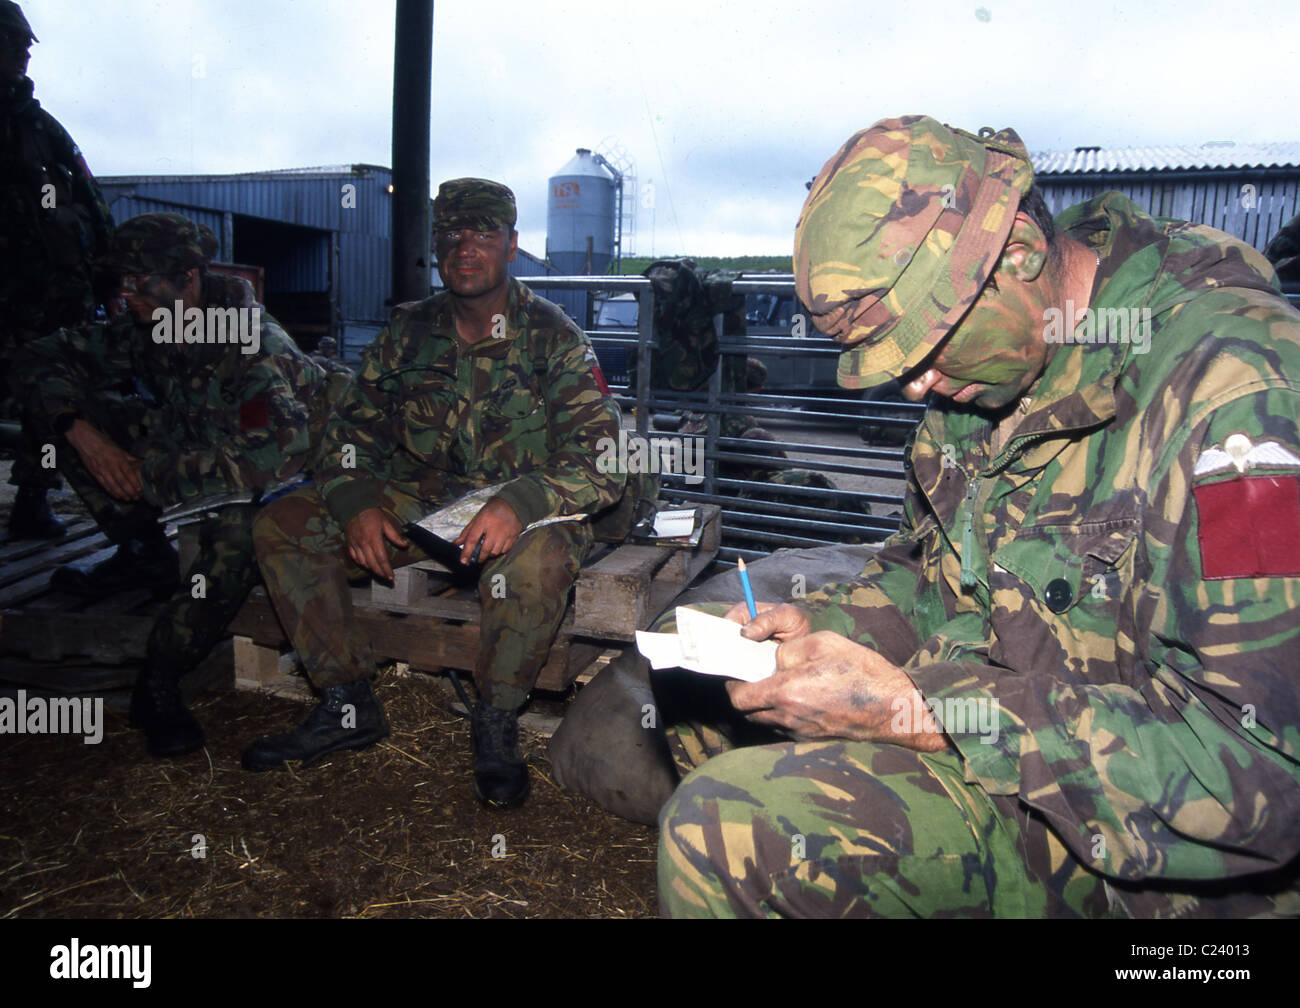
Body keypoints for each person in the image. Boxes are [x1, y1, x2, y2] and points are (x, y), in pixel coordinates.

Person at [655, 115, 1300, 918]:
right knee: (709, 707)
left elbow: (1263, 775)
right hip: (1007, 750)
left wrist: (923, 714)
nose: (918, 388)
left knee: (727, 830)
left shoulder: (1241, 397)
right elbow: (927, 575)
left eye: (926, 350)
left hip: (1158, 862)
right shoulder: (986, 377)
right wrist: (819, 628)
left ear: (1021, 254)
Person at [248, 178, 624, 807]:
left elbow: (604, 461)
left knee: (542, 561)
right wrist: (355, 502)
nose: (466, 248)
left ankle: (497, 719)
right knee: (282, 522)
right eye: (452, 235)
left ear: (511, 244)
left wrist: (522, 502)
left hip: (526, 504)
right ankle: (347, 703)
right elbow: (347, 434)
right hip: (424, 498)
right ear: (435, 247)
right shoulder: (407, 333)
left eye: (484, 234)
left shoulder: (553, 337)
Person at [16, 212, 334, 758]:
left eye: (142, 282)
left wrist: (151, 474)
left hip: (285, 471)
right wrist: (85, 434)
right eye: (121, 281)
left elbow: (272, 456)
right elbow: (34, 358)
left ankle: (159, 680)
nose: (126, 295)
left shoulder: (253, 347)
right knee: (66, 415)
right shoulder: (151, 326)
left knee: (240, 534)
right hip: (197, 451)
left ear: (188, 278)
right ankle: (142, 550)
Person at [1, 1, 114, 539]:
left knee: (49, 406)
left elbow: (90, 200)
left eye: (25, 44)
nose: (24, 53)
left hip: (51, 301)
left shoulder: (42, 128)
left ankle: (33, 498)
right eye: (13, 41)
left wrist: (109, 277)